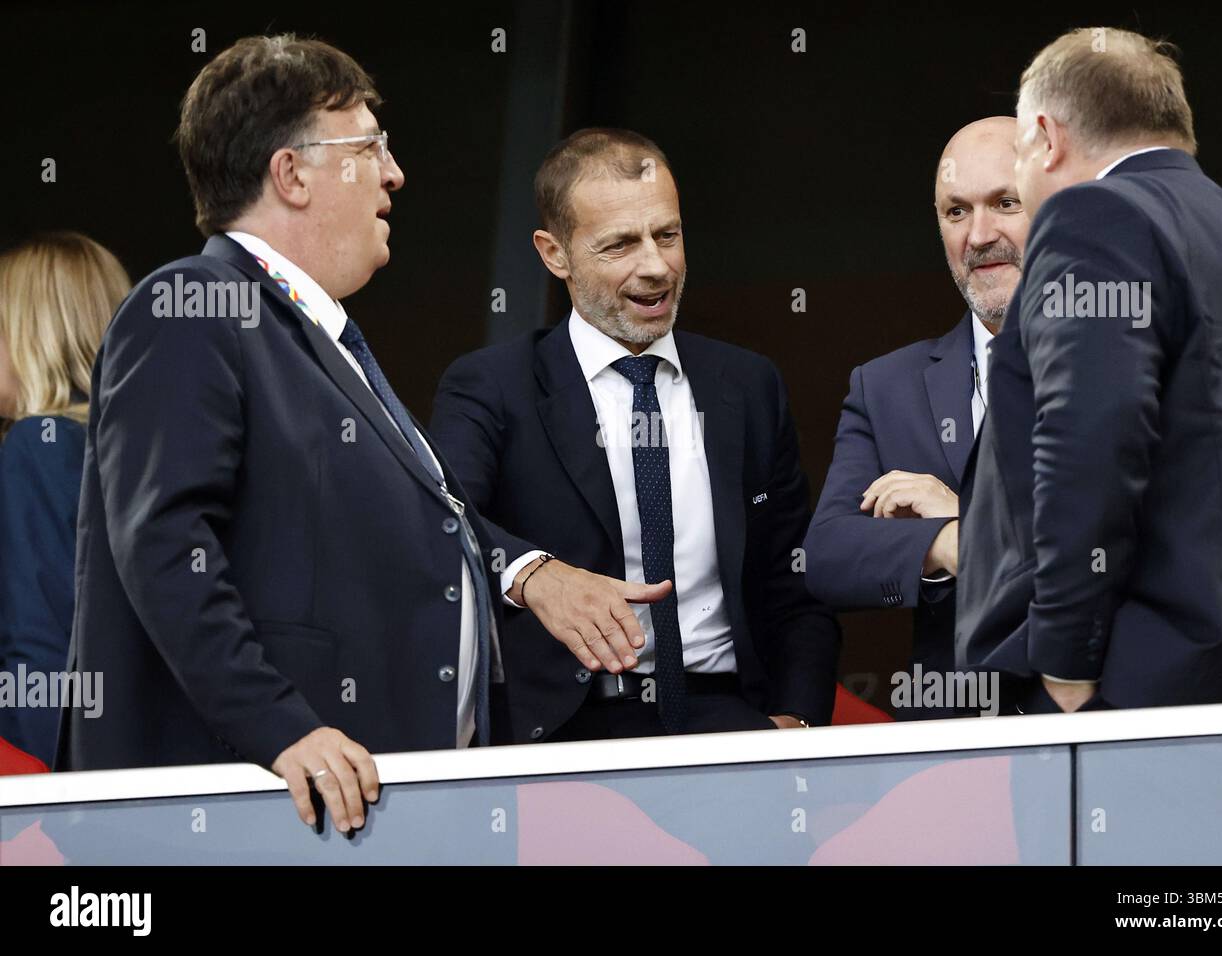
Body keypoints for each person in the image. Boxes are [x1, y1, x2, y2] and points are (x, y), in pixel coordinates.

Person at [57, 35, 503, 836]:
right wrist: (281, 726)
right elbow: (163, 540)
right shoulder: (192, 305)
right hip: (245, 818)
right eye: (371, 148)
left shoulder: (315, 337)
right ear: (292, 175)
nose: (394, 175)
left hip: (364, 814)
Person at [431, 128, 840, 743]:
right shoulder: (491, 385)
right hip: (565, 730)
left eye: (667, 235)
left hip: (732, 722)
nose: (655, 266)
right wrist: (535, 574)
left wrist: (796, 720)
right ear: (554, 253)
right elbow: (440, 519)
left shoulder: (747, 384)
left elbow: (793, 579)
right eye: (620, 244)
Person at [957, 27, 1222, 713]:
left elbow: (1094, 430)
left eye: (1021, 152)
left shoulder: (1092, 216)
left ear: (1047, 138)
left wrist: (1065, 651)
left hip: (1143, 693)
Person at [803, 118, 1027, 718]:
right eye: (956, 213)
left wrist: (970, 519)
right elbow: (827, 555)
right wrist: (951, 543)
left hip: (1108, 727)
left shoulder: (1127, 359)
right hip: (951, 743)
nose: (980, 235)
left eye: (1006, 203)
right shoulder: (886, 386)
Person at [0, 233, 129, 767]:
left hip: (51, 804)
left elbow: (41, 653)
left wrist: (41, 815)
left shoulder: (37, 446)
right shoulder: (135, 453)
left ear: (37, 334)